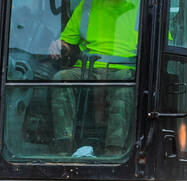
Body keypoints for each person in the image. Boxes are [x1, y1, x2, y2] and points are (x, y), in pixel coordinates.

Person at [46, 0, 140, 157]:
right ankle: (64, 145)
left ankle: (114, 152)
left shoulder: (141, 7)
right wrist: (58, 45)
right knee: (61, 78)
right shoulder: (87, 6)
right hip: (88, 67)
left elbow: (161, 41)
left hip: (124, 68)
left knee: (124, 87)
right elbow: (68, 42)